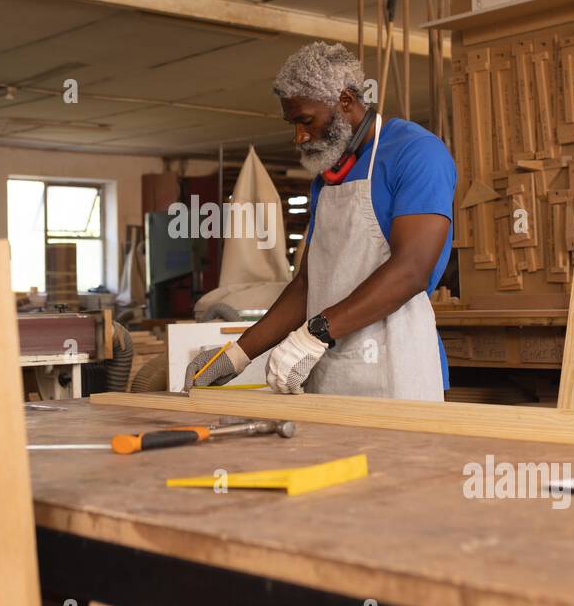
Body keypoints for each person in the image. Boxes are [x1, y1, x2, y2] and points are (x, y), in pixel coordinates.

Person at [186, 41, 456, 401]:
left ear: (344, 101)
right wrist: (238, 355)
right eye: (293, 124)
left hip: (396, 367)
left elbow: (411, 270)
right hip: (327, 367)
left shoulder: (416, 153)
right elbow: (308, 284)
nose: (299, 136)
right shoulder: (328, 176)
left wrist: (313, 335)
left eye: (305, 120)